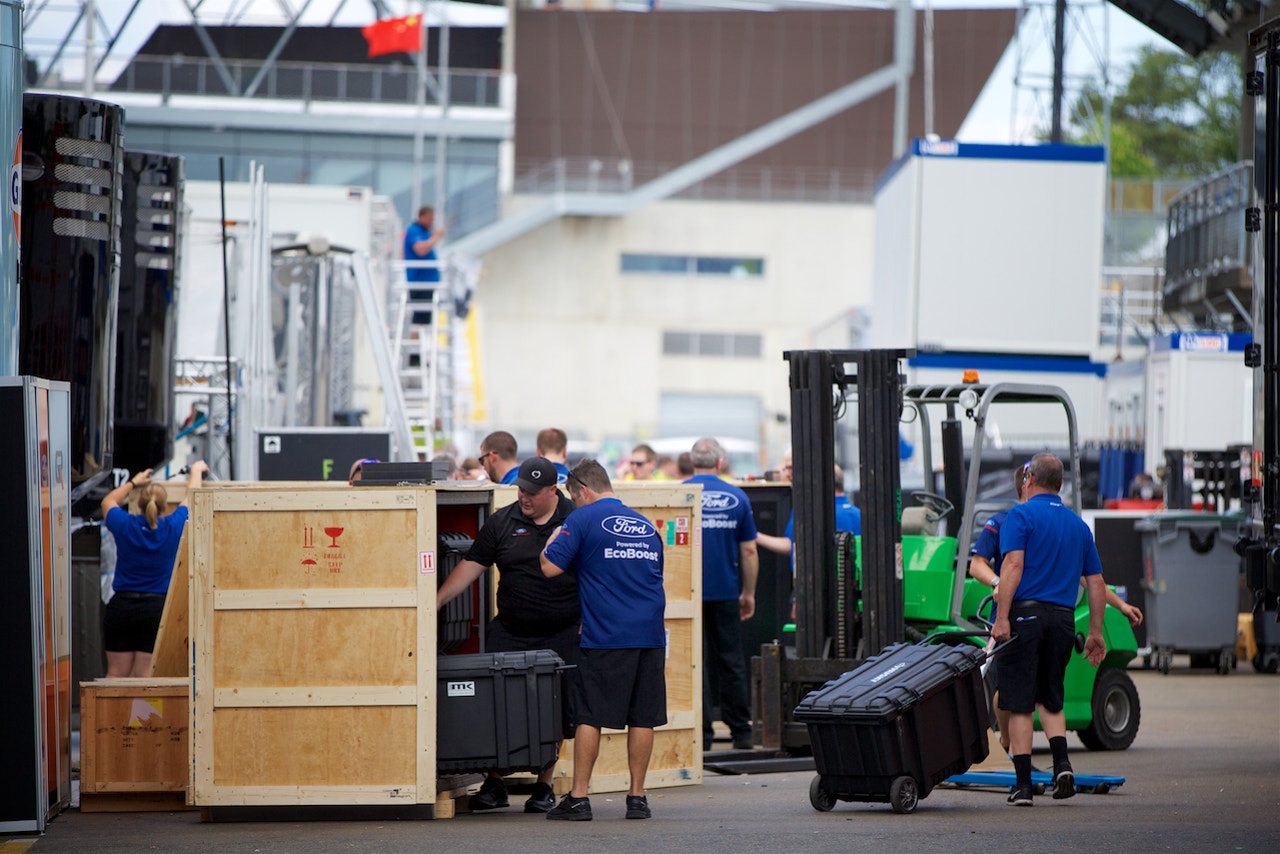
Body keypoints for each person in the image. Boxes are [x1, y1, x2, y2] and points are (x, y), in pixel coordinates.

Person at [436, 456, 578, 813]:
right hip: (512, 630)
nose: (524, 497)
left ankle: (544, 786)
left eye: (532, 492)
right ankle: (495, 783)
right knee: (499, 706)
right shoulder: (504, 521)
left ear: (552, 490)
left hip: (562, 632)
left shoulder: (575, 519)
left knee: (555, 710)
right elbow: (471, 565)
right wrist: (434, 602)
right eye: (520, 490)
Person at [970, 463, 1143, 754]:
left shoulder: (1039, 522)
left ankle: (1017, 759)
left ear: (1029, 482)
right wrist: (999, 583)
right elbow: (979, 565)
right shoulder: (1007, 521)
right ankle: (1015, 746)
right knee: (1028, 696)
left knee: (1021, 698)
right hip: (1032, 618)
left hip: (1020, 618)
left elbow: (1089, 581)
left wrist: (1121, 605)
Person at [540, 459, 667, 821]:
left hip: (607, 633)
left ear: (582, 490)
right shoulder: (644, 524)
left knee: (589, 715)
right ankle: (637, 799)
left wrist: (556, 534)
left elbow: (548, 566)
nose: (573, 503)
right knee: (643, 716)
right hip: (651, 633)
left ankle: (579, 798)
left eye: (572, 497)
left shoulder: (581, 518)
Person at [991, 453, 1107, 807]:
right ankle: (1062, 766)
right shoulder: (1078, 526)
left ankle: (1023, 787)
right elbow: (1097, 584)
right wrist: (1096, 633)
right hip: (1062, 619)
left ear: (1029, 479)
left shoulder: (1020, 515)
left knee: (1021, 704)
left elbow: (1013, 565)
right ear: (1060, 484)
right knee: (1051, 698)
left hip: (1024, 617)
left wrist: (1002, 617)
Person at [101, 462, 208, 677]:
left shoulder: (125, 524)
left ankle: (110, 713)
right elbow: (193, 497)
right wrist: (196, 471)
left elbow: (109, 501)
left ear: (139, 504)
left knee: (116, 672)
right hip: (155, 609)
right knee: (144, 676)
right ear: (163, 506)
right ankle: (139, 714)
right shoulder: (173, 526)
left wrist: (133, 482)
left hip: (121, 607)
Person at [685, 437, 758, 751]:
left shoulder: (679, 494)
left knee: (692, 663)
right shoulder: (737, 496)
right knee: (730, 661)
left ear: (692, 462)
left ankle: (701, 736)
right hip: (726, 591)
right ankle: (741, 733)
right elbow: (750, 551)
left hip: (686, 595)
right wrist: (749, 593)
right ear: (719, 462)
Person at [403, 205, 444, 324]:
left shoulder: (423, 232)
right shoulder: (414, 230)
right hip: (420, 283)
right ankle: (416, 341)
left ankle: (419, 340)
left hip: (426, 284)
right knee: (419, 321)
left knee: (423, 322)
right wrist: (436, 237)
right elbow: (420, 249)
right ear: (421, 217)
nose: (432, 222)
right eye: (430, 219)